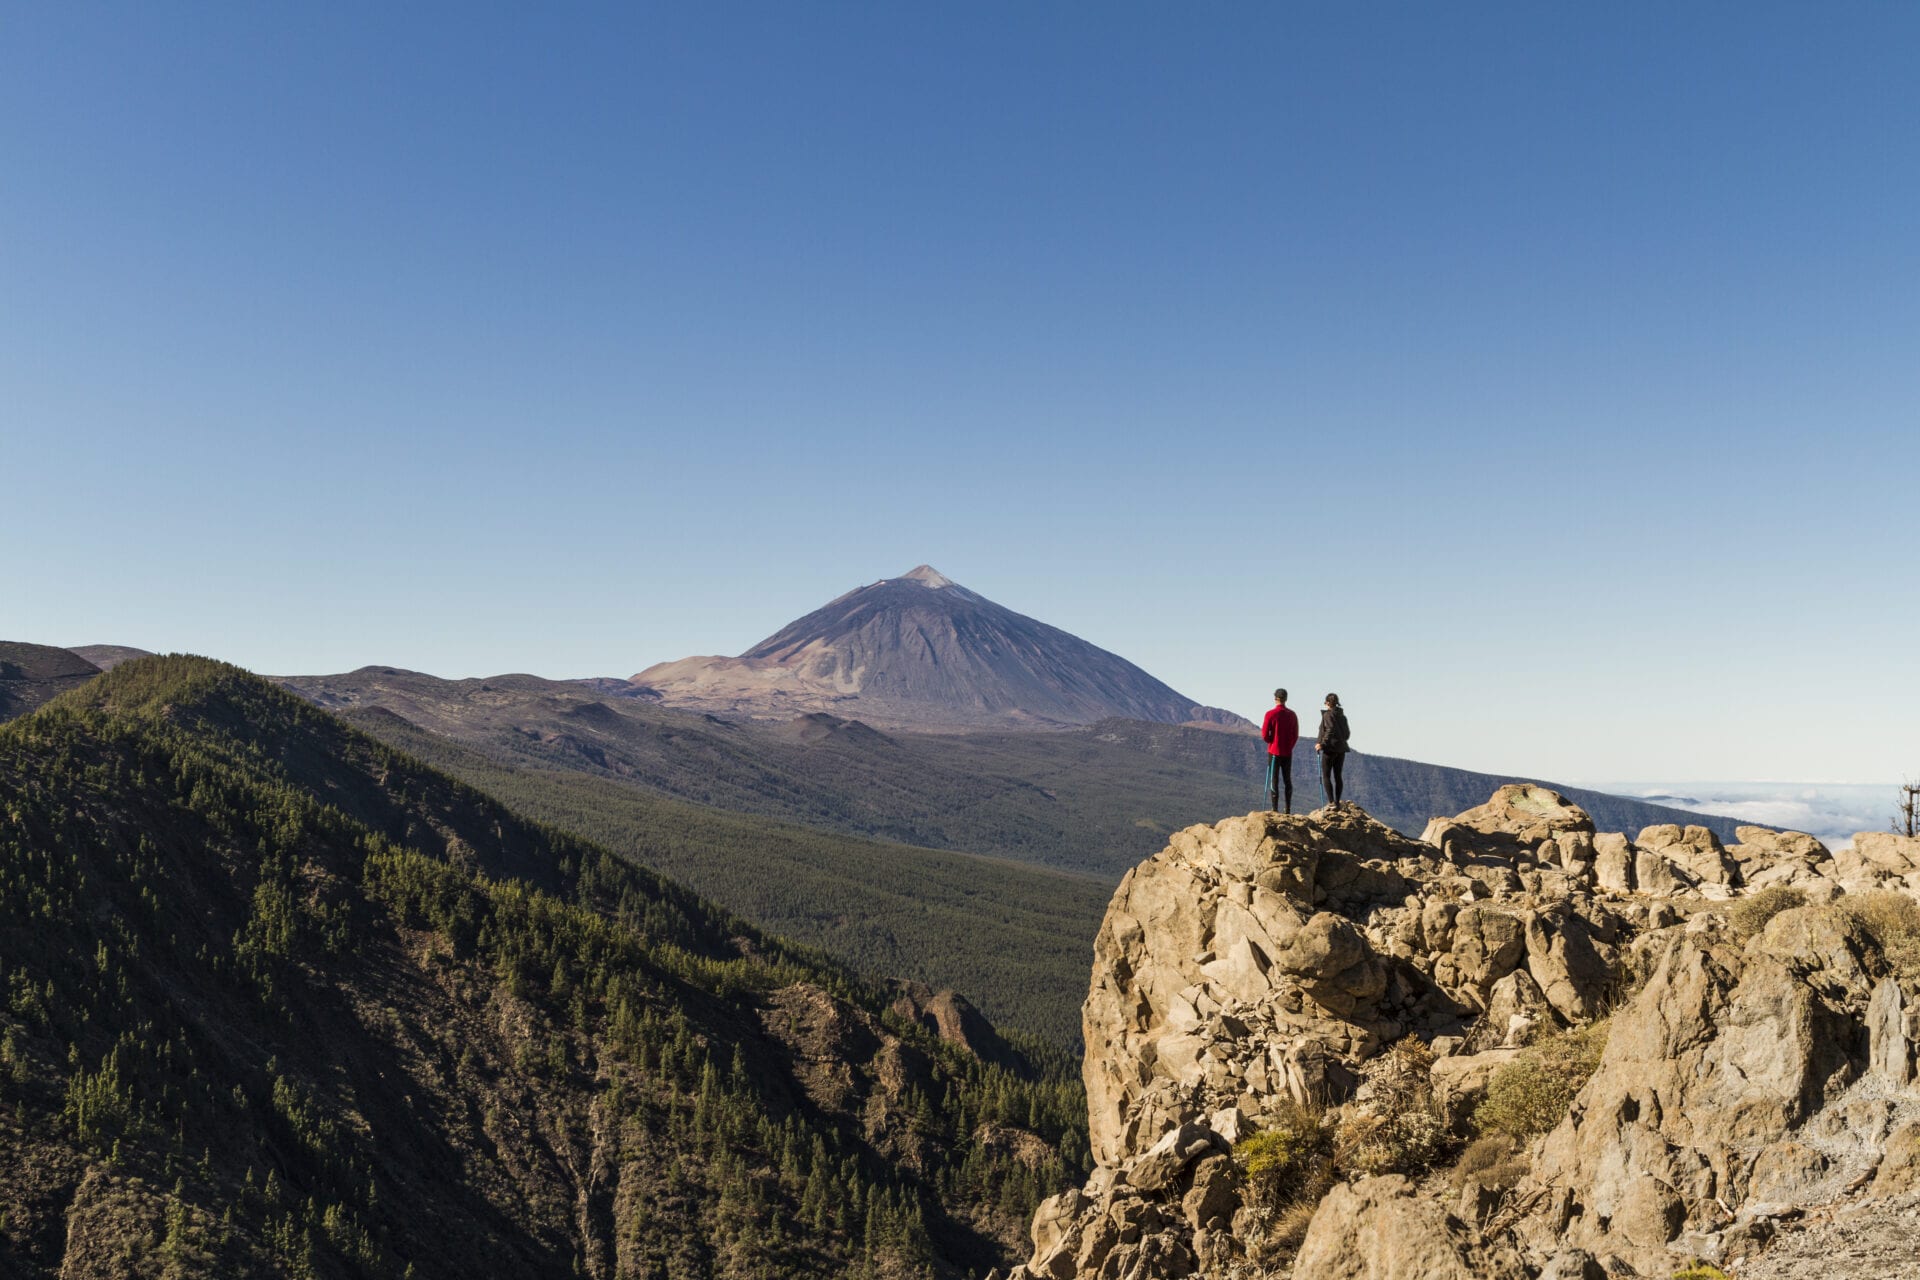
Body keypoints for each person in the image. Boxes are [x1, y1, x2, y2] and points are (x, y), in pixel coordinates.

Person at [1260, 688, 1299, 813]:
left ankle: (1275, 808)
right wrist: (1289, 746)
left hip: (1274, 751)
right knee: (1287, 779)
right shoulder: (1292, 715)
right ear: (1286, 699)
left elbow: (1264, 734)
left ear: (1275, 698)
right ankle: (1287, 808)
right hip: (1287, 751)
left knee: (1274, 779)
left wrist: (1271, 741)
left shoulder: (1270, 714)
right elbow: (1295, 735)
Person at [1314, 693, 1351, 807]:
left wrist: (1322, 744)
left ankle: (1331, 802)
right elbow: (1347, 734)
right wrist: (1340, 740)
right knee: (1338, 775)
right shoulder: (1342, 717)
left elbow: (1329, 730)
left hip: (1330, 749)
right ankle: (1337, 801)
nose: (1325, 704)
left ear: (1328, 703)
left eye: (1325, 702)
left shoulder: (1328, 715)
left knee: (1326, 775)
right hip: (1341, 749)